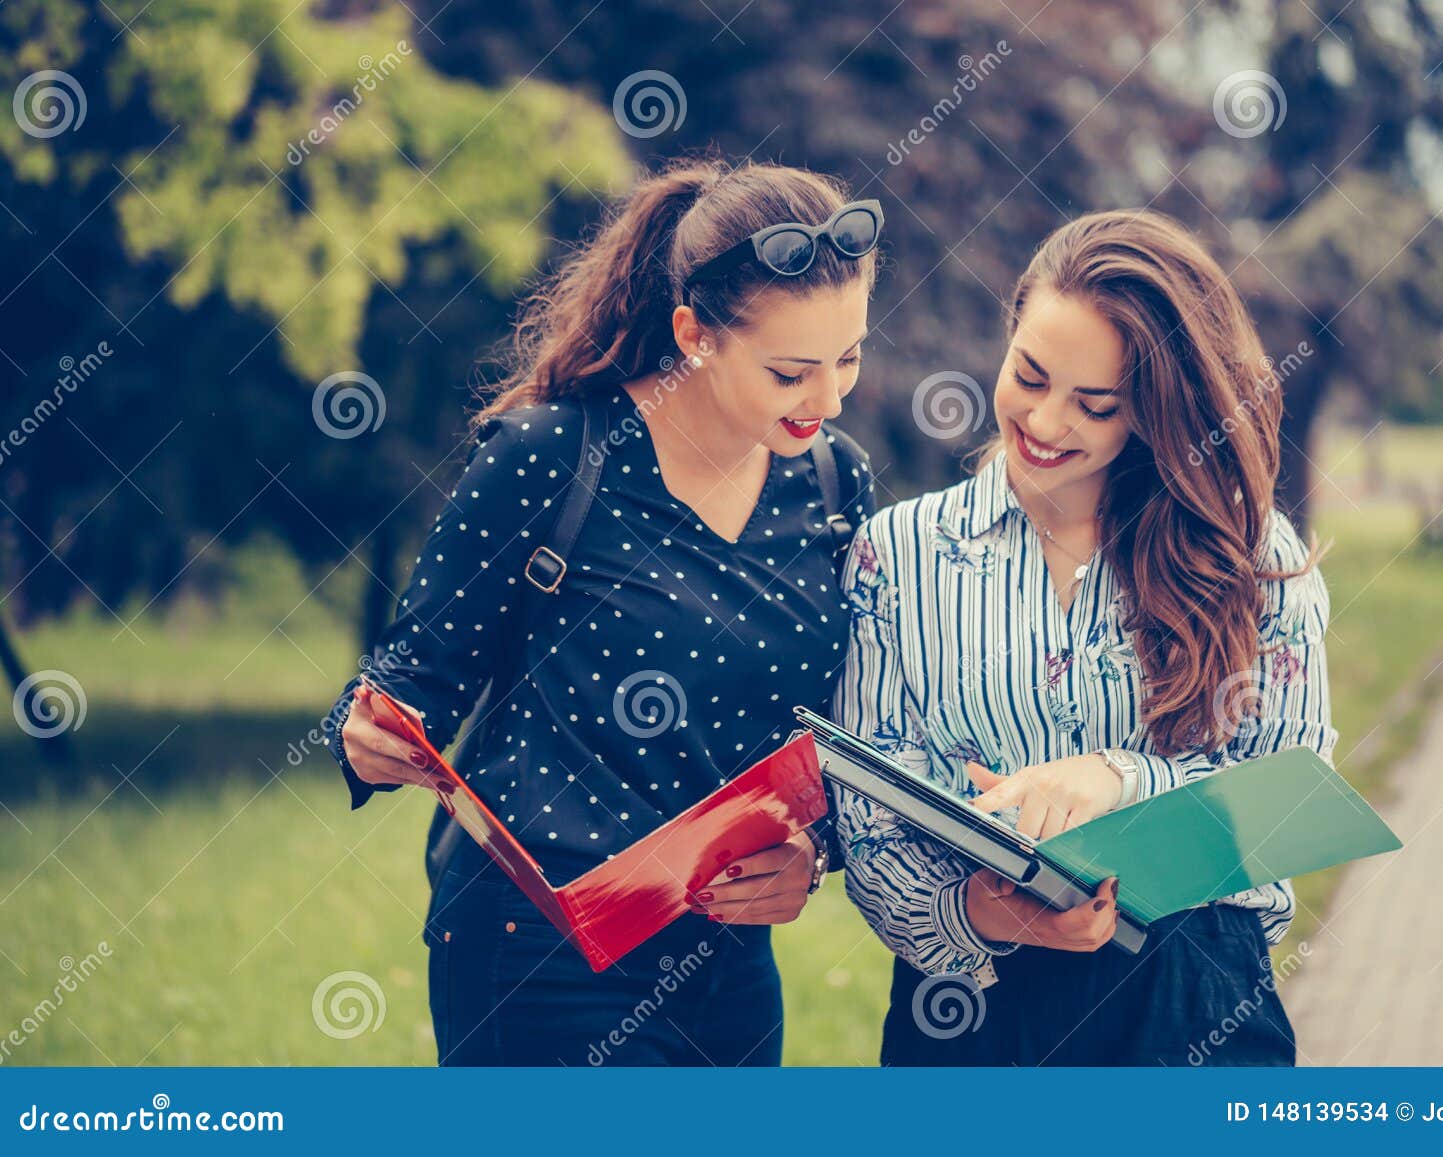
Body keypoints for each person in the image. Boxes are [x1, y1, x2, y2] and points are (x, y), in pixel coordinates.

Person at [324, 158, 881, 1066]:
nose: (828, 398)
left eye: (850, 357)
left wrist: (814, 852)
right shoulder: (551, 454)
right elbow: (412, 679)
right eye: (791, 372)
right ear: (695, 335)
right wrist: (371, 732)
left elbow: (856, 724)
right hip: (535, 951)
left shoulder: (832, 482)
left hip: (726, 962)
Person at [833, 209, 1335, 1066]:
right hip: (970, 1012)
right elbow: (868, 809)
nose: (1047, 422)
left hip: (1193, 997)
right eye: (1029, 376)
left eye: (1096, 405)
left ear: (1153, 410)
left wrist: (1118, 777)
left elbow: (1291, 796)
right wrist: (982, 914)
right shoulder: (899, 552)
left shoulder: (1249, 560)